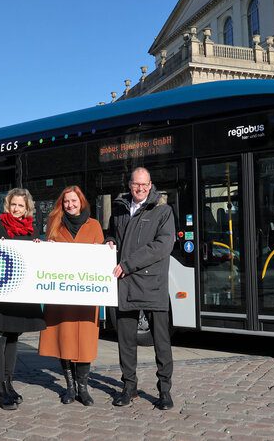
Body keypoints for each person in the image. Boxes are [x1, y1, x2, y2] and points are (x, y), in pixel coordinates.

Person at [107, 167, 176, 410]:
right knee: (125, 340)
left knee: (161, 341)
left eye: (145, 185)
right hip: (125, 284)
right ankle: (129, 387)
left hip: (152, 283)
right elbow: (113, 236)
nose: (141, 189)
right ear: (129, 185)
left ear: (150, 185)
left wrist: (127, 264)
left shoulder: (163, 211)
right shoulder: (119, 209)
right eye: (137, 184)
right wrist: (109, 242)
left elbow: (162, 246)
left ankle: (165, 390)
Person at [38, 186, 105, 406]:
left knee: (85, 344)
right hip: (62, 296)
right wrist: (43, 247)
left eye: (74, 201)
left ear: (81, 202)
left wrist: (108, 247)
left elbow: (101, 258)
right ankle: (69, 388)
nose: (70, 205)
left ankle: (83, 390)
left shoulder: (94, 225)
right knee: (64, 340)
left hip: (85, 296)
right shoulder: (54, 224)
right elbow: (47, 257)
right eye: (66, 201)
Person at [0, 188, 46, 410]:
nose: (17, 209)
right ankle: (0, 388)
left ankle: (9, 384)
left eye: (21, 205)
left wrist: (40, 248)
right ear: (8, 206)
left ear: (27, 208)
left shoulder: (33, 230)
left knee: (12, 339)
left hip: (19, 296)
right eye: (13, 205)